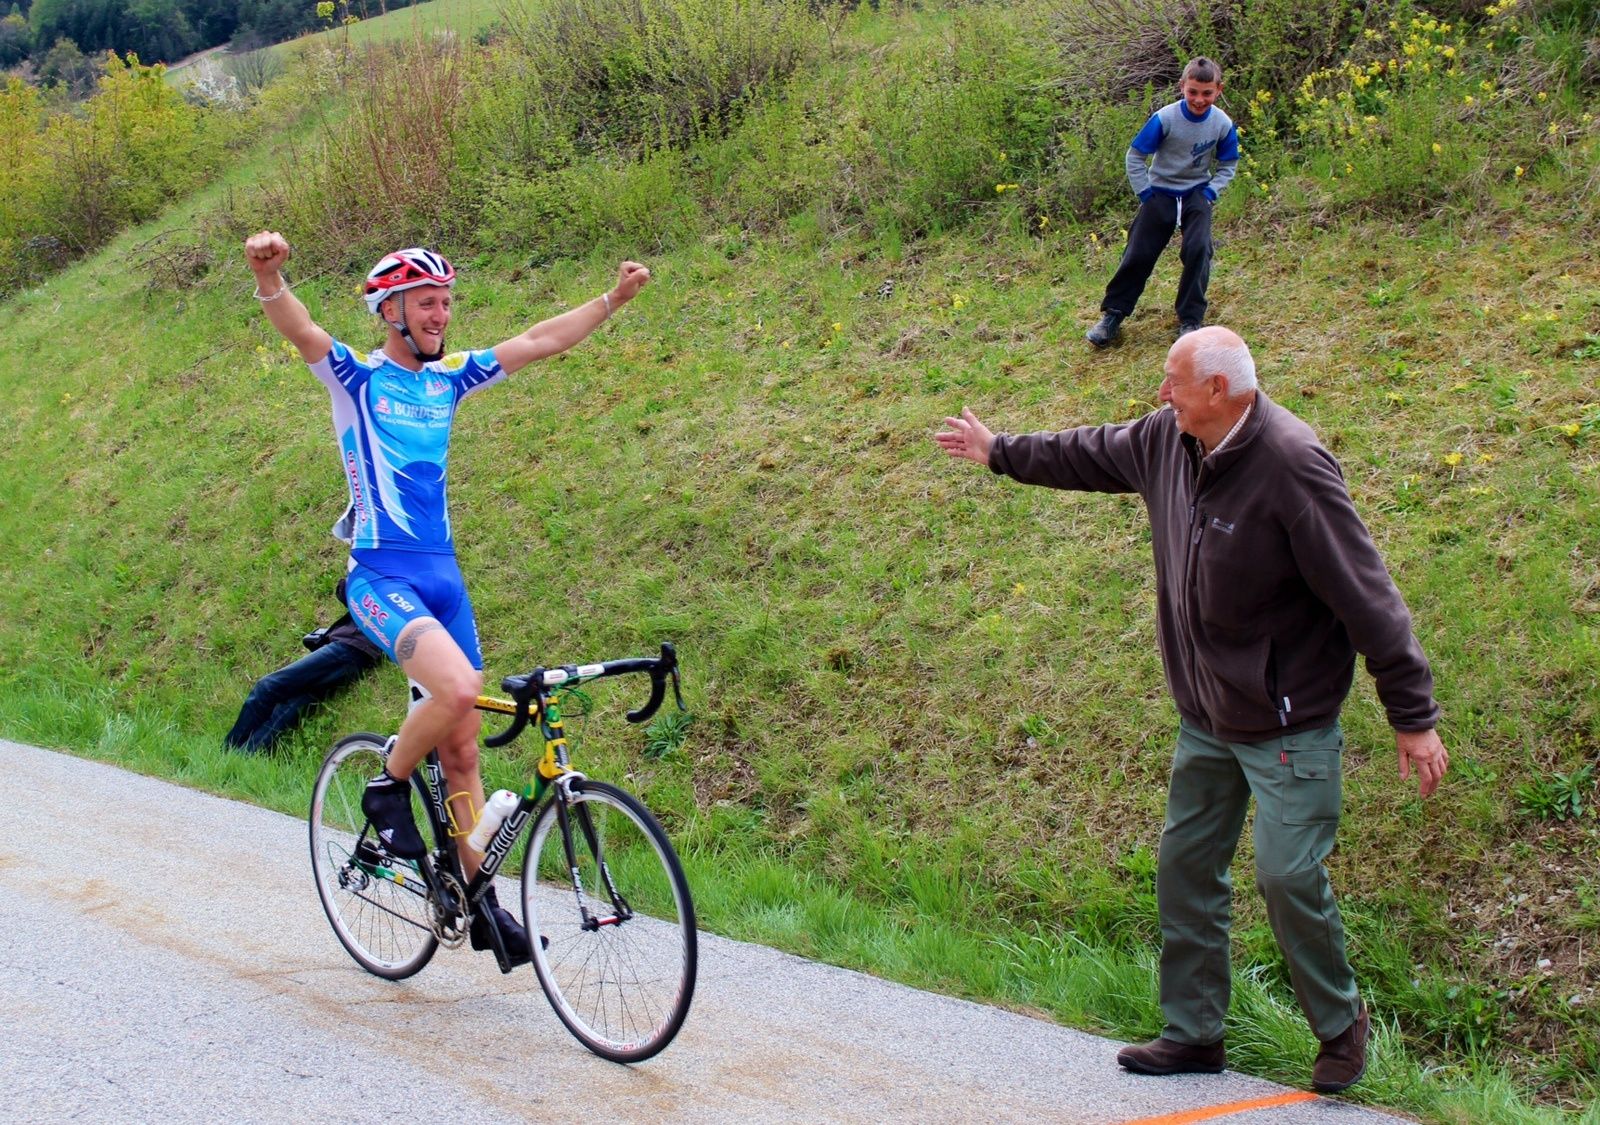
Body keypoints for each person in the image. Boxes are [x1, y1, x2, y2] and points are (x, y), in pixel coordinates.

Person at [934, 326, 1448, 1093]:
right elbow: (1088, 451)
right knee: (1185, 869)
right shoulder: (1166, 441)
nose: (1160, 394)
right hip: (1207, 715)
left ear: (1219, 390)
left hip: (1287, 721)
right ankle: (1194, 1032)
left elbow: (1366, 593)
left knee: (1286, 874)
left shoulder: (1291, 465)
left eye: (1173, 381)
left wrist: (1412, 712)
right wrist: (1000, 450)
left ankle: (1340, 1024)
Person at [244, 231, 651, 965]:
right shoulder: (356, 379)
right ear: (390, 310)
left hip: (444, 578)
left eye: (446, 303)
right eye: (427, 303)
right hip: (382, 579)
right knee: (460, 687)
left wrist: (611, 300)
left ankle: (477, 897)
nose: (441, 315)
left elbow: (536, 340)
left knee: (463, 747)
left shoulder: (451, 379)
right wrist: (270, 278)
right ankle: (385, 787)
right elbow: (300, 329)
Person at [1086, 57, 1240, 348]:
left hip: (1196, 193)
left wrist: (1210, 192)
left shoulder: (1221, 123)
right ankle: (1112, 316)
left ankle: (1190, 320)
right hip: (1160, 192)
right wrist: (1146, 193)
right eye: (1193, 91)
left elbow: (1229, 163)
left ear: (1218, 90)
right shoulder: (1165, 118)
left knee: (1198, 249)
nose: (1199, 99)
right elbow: (1135, 156)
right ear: (1182, 87)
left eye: (1206, 93)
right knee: (1138, 253)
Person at [223, 577, 382, 754]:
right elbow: (344, 592)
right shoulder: (386, 573)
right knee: (289, 708)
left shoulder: (390, 576)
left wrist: (356, 575)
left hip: (350, 647)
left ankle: (226, 755)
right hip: (354, 650)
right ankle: (240, 758)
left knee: (267, 687)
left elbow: (346, 592)